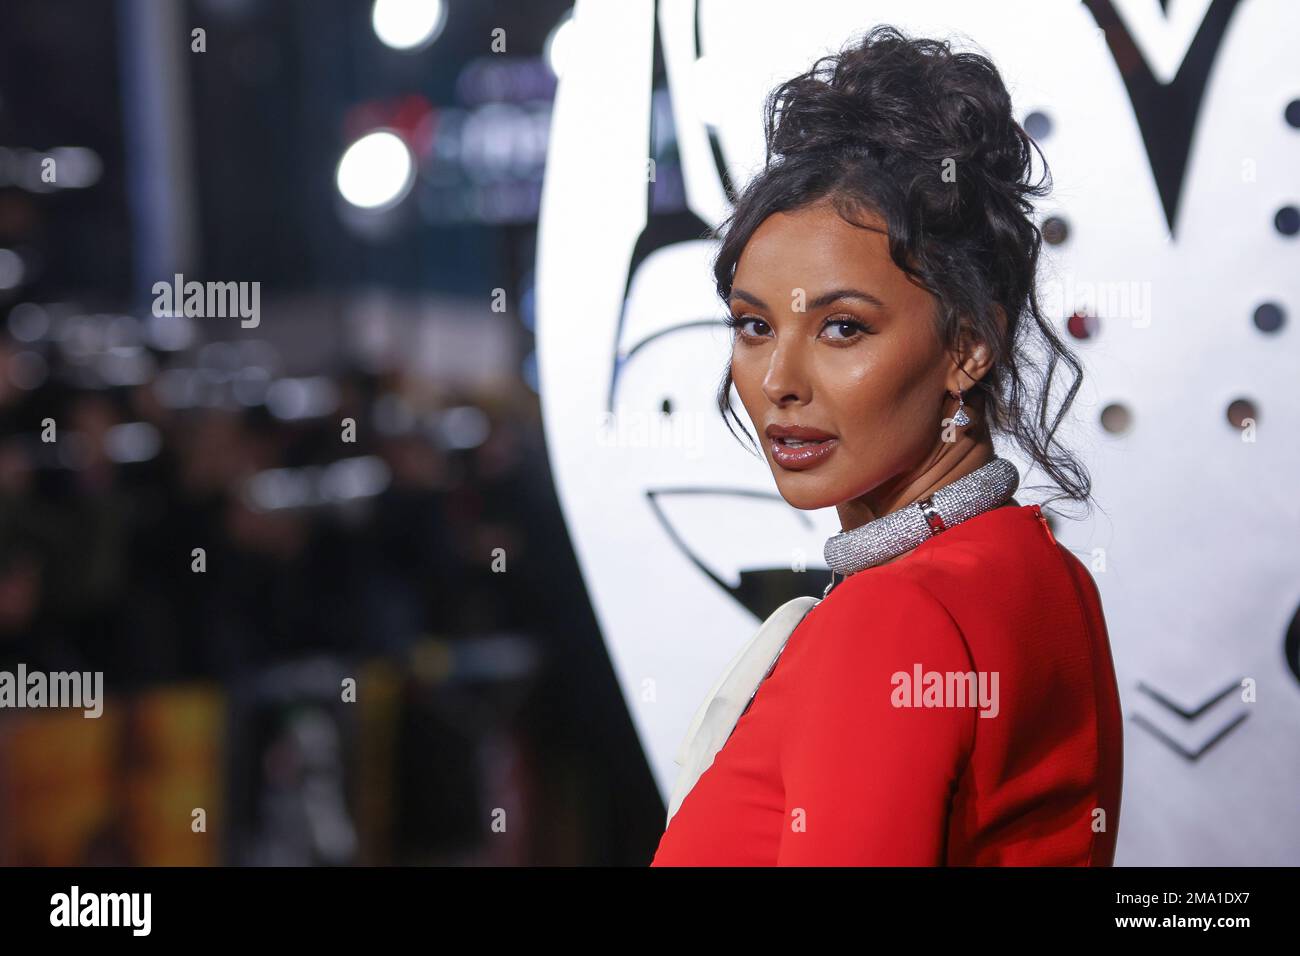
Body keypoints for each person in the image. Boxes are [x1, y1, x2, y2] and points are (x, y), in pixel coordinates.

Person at [651, 24, 1122, 866]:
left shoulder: (894, 616)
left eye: (842, 327)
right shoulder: (1044, 571)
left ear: (969, 345)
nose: (778, 380)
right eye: (755, 326)